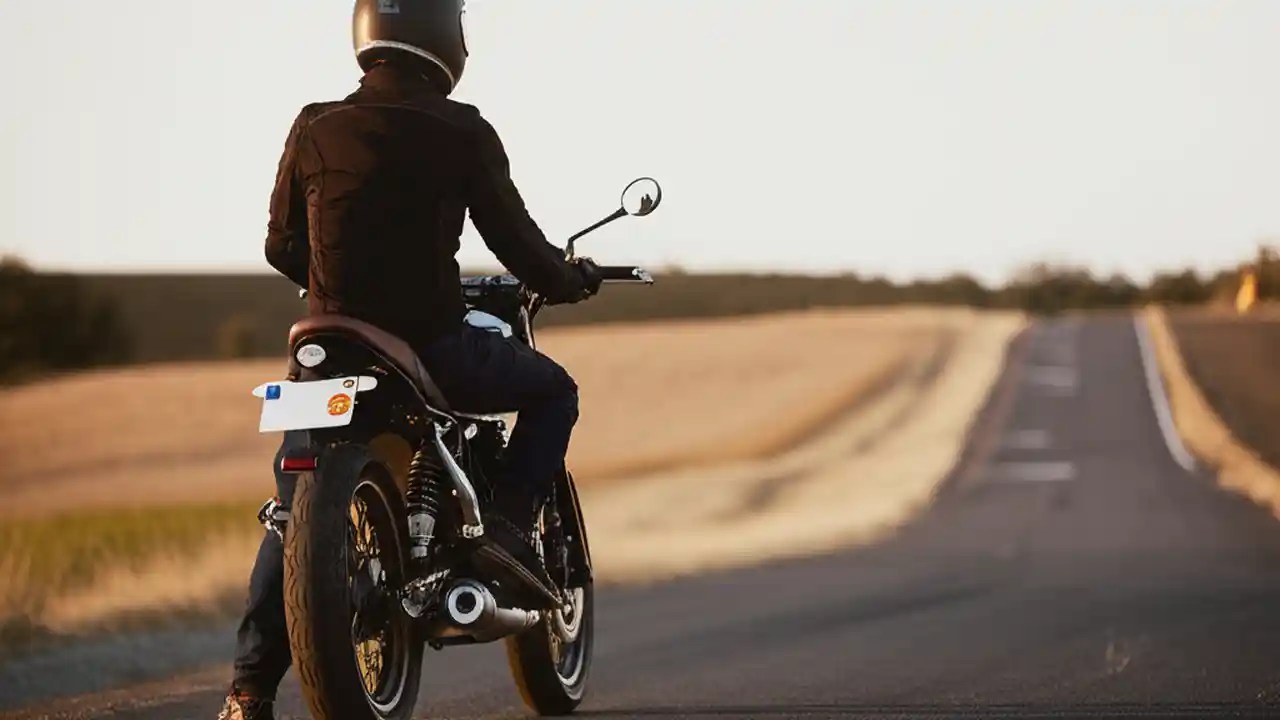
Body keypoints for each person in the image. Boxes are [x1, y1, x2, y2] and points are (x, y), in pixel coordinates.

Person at [218, 2, 601, 718]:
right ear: (442, 37)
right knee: (555, 392)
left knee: (289, 510)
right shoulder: (461, 129)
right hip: (428, 343)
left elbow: (280, 247)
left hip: (323, 345)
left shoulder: (314, 125)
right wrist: (568, 279)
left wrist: (335, 278)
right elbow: (518, 243)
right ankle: (513, 532)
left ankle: (247, 691)